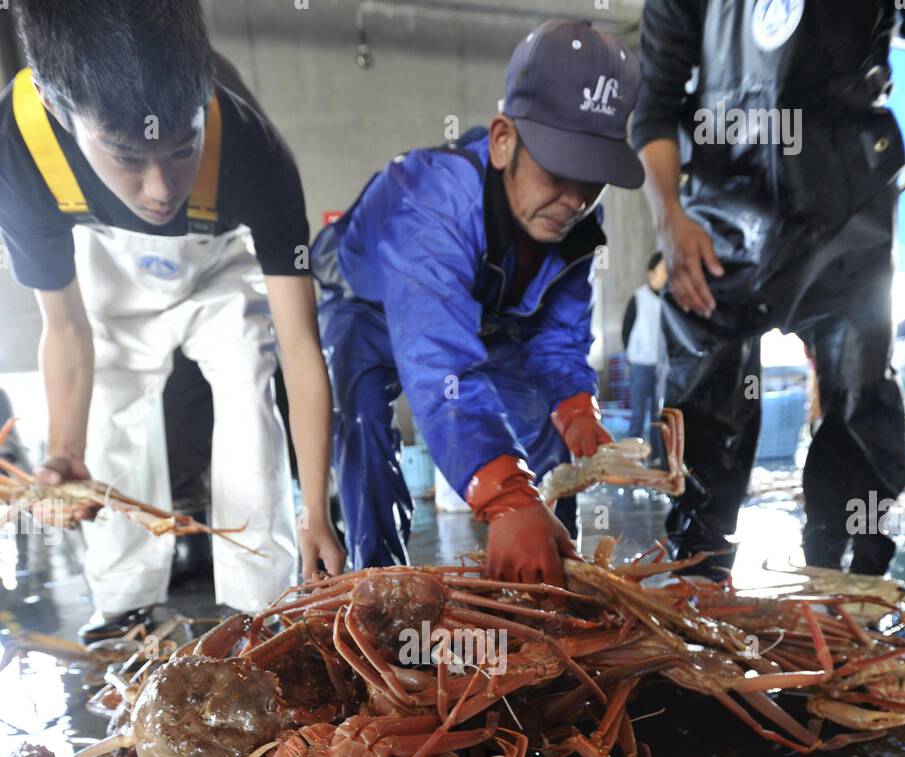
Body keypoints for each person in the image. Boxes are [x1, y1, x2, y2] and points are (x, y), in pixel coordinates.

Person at [0, 0, 344, 641]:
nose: (161, 187)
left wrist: (317, 508)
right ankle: (124, 604)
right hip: (111, 277)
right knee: (113, 410)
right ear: (57, 107)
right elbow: (68, 329)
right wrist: (64, 454)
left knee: (248, 384)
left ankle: (260, 604)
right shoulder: (18, 148)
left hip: (217, 272)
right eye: (128, 158)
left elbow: (300, 347)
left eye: (183, 149)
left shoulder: (253, 149)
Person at [310, 19, 644, 586]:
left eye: (593, 178)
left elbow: (557, 336)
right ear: (502, 140)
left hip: (481, 318)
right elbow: (441, 362)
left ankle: (556, 580)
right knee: (362, 417)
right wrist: (504, 498)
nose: (574, 200)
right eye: (560, 169)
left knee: (547, 433)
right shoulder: (432, 205)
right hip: (367, 309)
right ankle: (379, 586)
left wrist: (573, 402)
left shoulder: (575, 218)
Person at [632, 0, 905, 576]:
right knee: (704, 406)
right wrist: (669, 219)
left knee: (859, 400)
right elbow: (654, 107)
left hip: (846, 209)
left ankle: (845, 587)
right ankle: (699, 586)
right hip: (723, 216)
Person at [622, 250, 667, 449]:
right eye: (663, 269)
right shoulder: (638, 298)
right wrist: (632, 357)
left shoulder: (669, 301)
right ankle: (633, 460)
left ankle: (657, 457)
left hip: (662, 367)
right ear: (651, 272)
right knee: (638, 414)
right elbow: (626, 330)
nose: (667, 274)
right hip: (640, 365)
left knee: (659, 415)